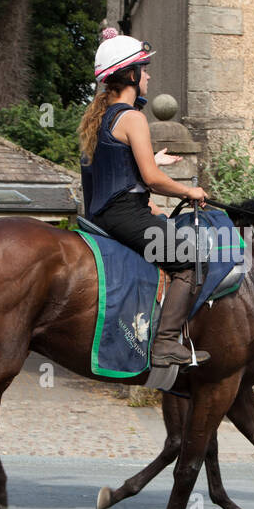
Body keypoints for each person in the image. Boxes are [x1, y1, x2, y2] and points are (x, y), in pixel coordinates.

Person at [78, 27, 210, 367]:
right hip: (125, 215)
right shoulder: (133, 117)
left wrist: (153, 159)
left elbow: (119, 171)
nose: (148, 76)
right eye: (145, 69)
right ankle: (165, 343)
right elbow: (151, 179)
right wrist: (189, 190)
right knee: (193, 261)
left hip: (105, 214)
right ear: (132, 74)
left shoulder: (102, 117)